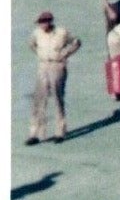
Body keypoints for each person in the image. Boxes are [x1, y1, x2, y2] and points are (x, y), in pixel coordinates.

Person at [26, 10, 82, 144]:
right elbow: (32, 45)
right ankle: (36, 133)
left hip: (57, 65)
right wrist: (40, 55)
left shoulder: (61, 32)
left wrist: (65, 53)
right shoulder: (37, 33)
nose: (42, 25)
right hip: (43, 65)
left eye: (45, 22)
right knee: (39, 99)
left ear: (50, 22)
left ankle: (60, 131)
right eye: (40, 23)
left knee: (57, 97)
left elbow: (76, 42)